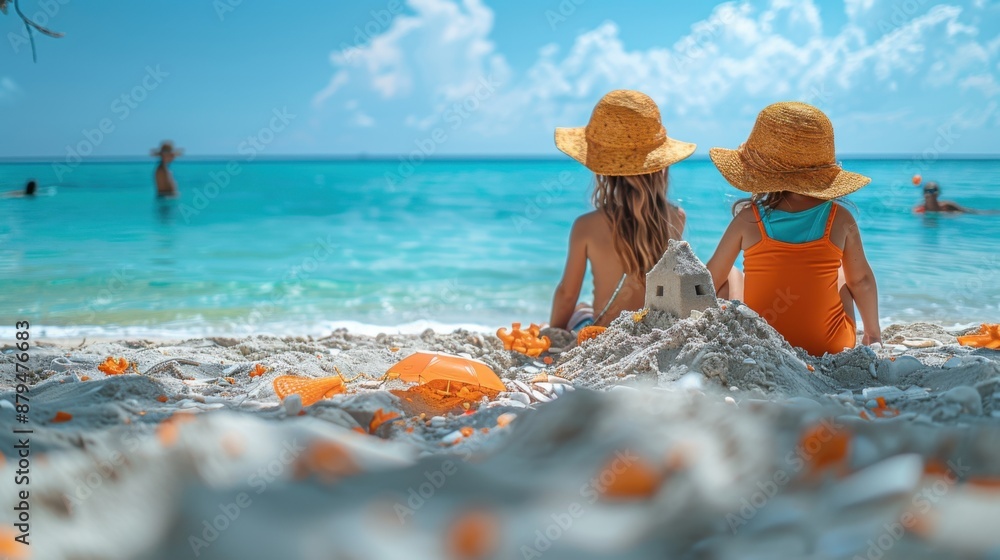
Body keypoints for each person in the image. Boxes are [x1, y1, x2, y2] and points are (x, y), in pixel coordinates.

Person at [705, 102, 881, 356]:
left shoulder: (748, 219)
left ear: (761, 171)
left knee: (731, 273)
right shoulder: (840, 219)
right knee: (844, 274)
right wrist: (873, 334)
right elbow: (863, 281)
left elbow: (709, 279)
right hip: (830, 345)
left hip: (761, 340)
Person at [548, 90, 698, 332]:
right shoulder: (675, 218)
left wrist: (552, 333)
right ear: (660, 165)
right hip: (649, 330)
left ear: (602, 171)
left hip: (603, 332)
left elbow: (567, 294)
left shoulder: (585, 226)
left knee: (581, 309)